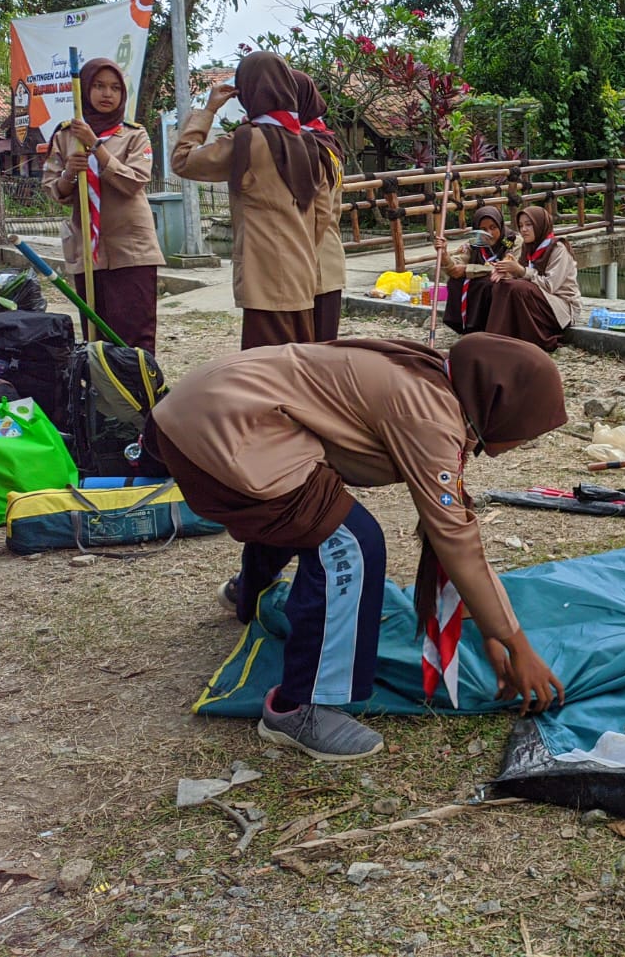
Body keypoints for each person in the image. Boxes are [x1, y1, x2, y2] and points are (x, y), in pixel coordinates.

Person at [147, 332, 569, 760]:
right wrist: (518, 646)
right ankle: (300, 708)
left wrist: (489, 629)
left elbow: (448, 521)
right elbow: (453, 538)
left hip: (205, 407)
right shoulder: (430, 416)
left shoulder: (432, 379)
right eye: (527, 428)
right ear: (501, 406)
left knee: (304, 504)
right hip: (224, 428)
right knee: (350, 540)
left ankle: (249, 595)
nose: (524, 441)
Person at [172, 51, 328, 349]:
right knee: (297, 360)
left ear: (247, 91)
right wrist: (304, 253)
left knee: (265, 366)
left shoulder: (246, 141)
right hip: (302, 272)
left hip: (264, 275)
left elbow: (183, 161)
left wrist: (208, 111)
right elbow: (321, 216)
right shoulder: (310, 143)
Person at [40, 58, 163, 352]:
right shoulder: (66, 136)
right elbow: (54, 189)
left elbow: (134, 181)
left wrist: (97, 147)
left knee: (135, 333)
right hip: (87, 248)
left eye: (115, 88)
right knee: (96, 332)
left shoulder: (134, 134)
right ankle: (101, 381)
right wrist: (70, 173)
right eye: (98, 86)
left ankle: (137, 382)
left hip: (131, 249)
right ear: (85, 89)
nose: (107, 94)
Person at [482, 205, 581, 351]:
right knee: (501, 285)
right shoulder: (528, 247)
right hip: (541, 298)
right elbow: (521, 274)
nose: (524, 229)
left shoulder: (558, 248)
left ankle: (535, 339)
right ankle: (497, 339)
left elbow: (550, 285)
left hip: (562, 304)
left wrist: (520, 271)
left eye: (529, 225)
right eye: (521, 225)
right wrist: (507, 272)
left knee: (519, 288)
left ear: (540, 224)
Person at [294, 70, 346, 342]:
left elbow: (321, 212)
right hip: (329, 256)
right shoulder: (326, 140)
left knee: (314, 347)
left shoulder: (308, 146)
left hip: (314, 258)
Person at [440, 204, 517, 335]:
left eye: (493, 227)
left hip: (504, 282)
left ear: (500, 225)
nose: (489, 233)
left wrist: (469, 269)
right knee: (455, 282)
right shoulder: (474, 244)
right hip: (481, 280)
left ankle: (492, 328)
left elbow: (506, 267)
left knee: (488, 284)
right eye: (483, 229)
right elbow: (455, 266)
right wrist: (444, 255)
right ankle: (467, 327)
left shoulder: (511, 241)